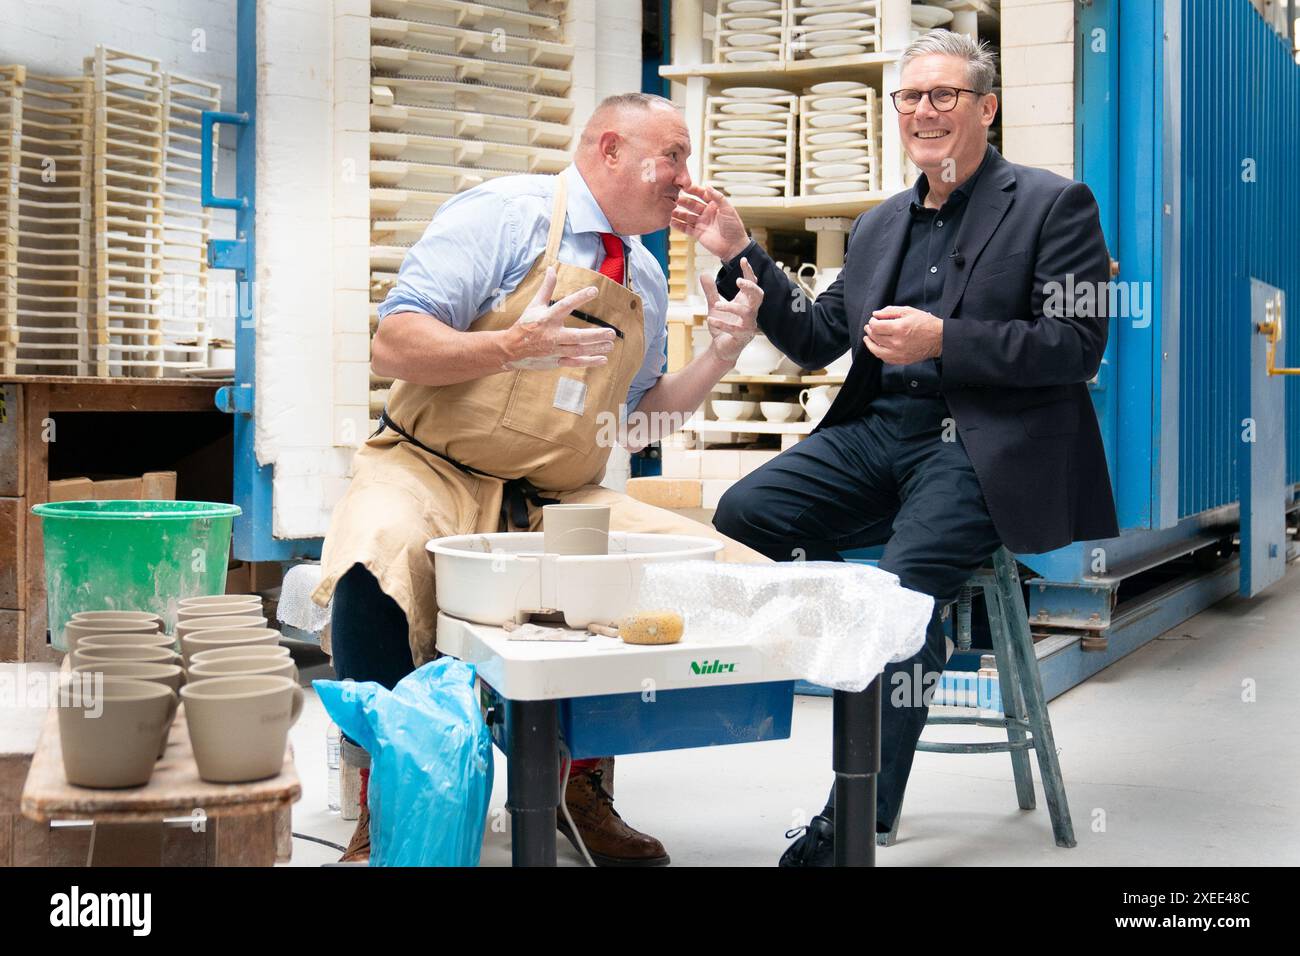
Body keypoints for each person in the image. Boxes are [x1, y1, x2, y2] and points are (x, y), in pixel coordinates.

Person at [672, 30, 1119, 865]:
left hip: (989, 443)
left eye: (943, 95)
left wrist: (946, 338)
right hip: (883, 435)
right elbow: (814, 339)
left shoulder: (1057, 205)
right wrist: (741, 252)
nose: (923, 112)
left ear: (986, 108)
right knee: (745, 509)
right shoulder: (881, 225)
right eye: (909, 98)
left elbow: (1077, 346)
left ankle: (852, 816)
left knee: (902, 594)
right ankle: (915, 621)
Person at [313, 93, 768, 865]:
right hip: (432, 468)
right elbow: (393, 344)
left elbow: (637, 426)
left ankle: (580, 788)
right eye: (674, 157)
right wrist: (509, 348)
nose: (686, 179)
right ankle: (389, 798)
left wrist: (721, 355)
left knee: (714, 570)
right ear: (611, 149)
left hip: (561, 495)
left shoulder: (646, 280)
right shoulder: (504, 216)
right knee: (375, 554)